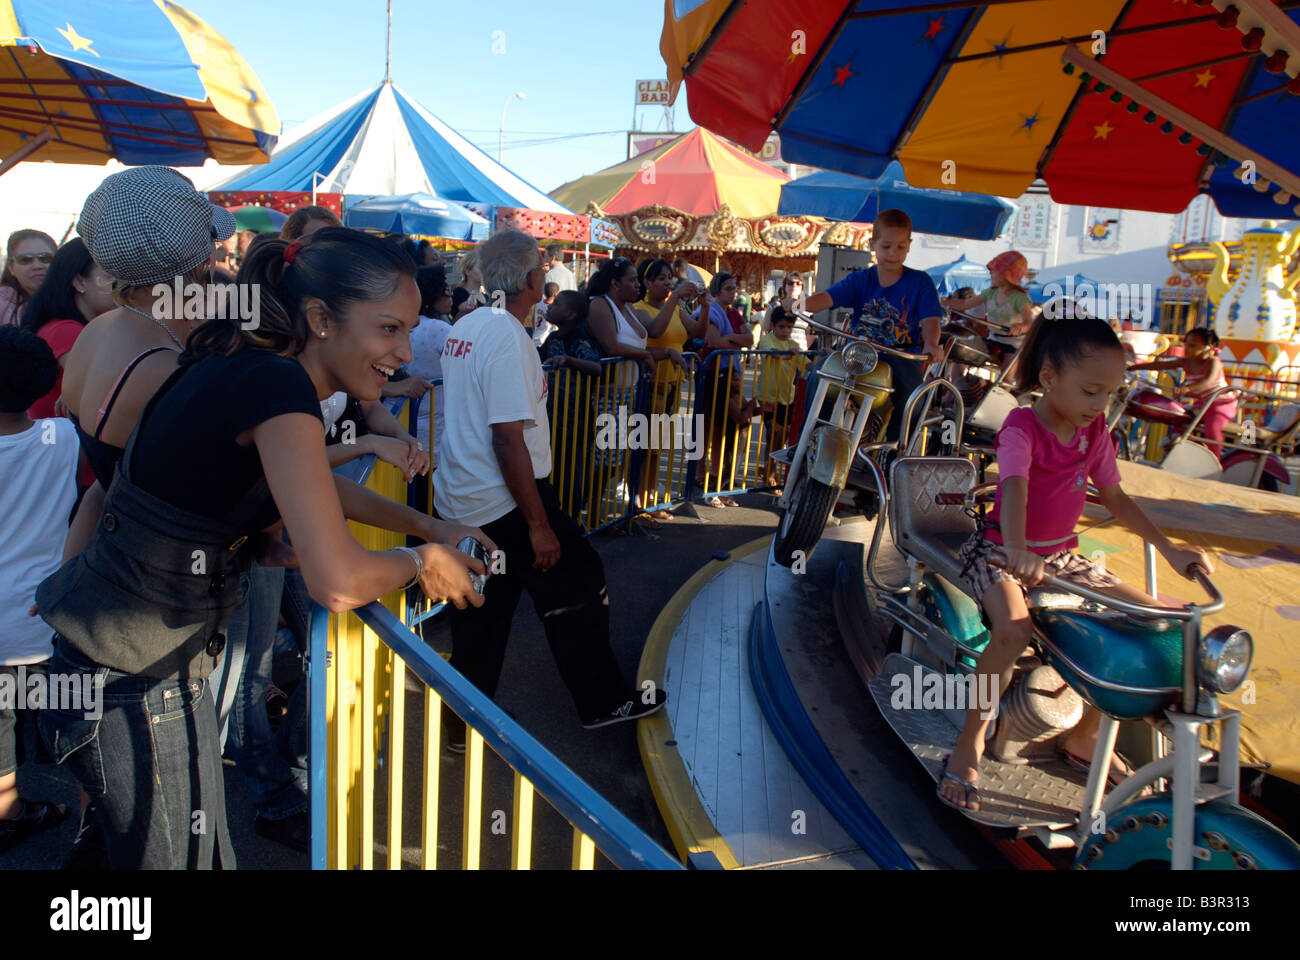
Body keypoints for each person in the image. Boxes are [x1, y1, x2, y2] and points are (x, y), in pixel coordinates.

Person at [37, 175, 491, 868]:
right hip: (133, 670)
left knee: (128, 856)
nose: (406, 355)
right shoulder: (268, 380)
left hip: (116, 652)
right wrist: (420, 561)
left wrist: (432, 529)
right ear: (319, 319)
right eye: (390, 330)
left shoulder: (239, 362)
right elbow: (338, 582)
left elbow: (297, 485)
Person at [940, 313, 1214, 812]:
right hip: (1003, 550)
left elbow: (1116, 497)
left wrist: (1171, 550)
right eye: (1091, 392)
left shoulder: (1093, 436)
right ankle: (969, 744)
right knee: (1012, 631)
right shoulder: (1022, 426)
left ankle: (1087, 736)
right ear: (1048, 378)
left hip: (1063, 556)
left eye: (1108, 395)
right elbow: (1015, 485)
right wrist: (1020, 547)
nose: (1099, 406)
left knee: (1156, 619)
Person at [434, 229, 667, 747]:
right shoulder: (507, 336)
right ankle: (602, 701)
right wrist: (539, 525)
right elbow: (508, 441)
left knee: (483, 613)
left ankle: (460, 725)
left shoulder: (468, 325)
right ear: (532, 279)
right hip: (503, 499)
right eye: (541, 267)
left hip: (464, 496)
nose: (546, 276)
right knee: (579, 583)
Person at [0, 328, 78, 853]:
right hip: (46, 618)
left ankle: (10, 814)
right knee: (74, 715)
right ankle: (96, 817)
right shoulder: (64, 439)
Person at [802, 209, 942, 443]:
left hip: (900, 355)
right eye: (886, 246)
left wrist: (931, 343)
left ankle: (895, 451)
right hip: (858, 353)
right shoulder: (860, 279)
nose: (892, 253)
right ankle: (809, 440)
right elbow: (827, 298)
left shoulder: (920, 282)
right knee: (819, 373)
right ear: (872, 244)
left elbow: (930, 320)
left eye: (900, 247)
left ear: (908, 246)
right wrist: (798, 303)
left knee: (915, 397)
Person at [635, 258, 707, 518]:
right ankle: (639, 504)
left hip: (673, 385)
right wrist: (675, 297)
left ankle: (649, 500)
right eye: (661, 278)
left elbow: (699, 331)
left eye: (669, 278)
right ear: (647, 283)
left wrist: (706, 305)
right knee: (644, 447)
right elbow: (655, 329)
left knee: (658, 448)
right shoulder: (639, 309)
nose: (667, 282)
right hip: (651, 385)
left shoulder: (674, 308)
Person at [18, 238, 118, 422]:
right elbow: (110, 391)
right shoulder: (66, 332)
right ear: (80, 282)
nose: (119, 288)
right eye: (110, 278)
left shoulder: (76, 327)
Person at [694, 271, 759, 507]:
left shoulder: (734, 313)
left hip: (731, 375)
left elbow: (750, 339)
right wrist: (733, 339)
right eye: (729, 289)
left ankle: (720, 483)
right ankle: (708, 481)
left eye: (735, 288)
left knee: (729, 432)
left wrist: (729, 336)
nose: (734, 293)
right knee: (714, 430)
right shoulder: (711, 311)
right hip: (713, 375)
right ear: (717, 291)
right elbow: (716, 343)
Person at [1129, 327, 1236, 459]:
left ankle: (1216, 459)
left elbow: (1208, 382)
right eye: (1186, 343)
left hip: (1221, 403)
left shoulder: (1214, 362)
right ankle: (1176, 454)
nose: (1187, 348)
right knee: (1179, 419)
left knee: (1212, 428)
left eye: (1192, 345)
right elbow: (1161, 366)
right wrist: (1136, 366)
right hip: (1203, 404)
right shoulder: (1186, 362)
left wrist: (1187, 389)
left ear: (1208, 347)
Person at [941, 251, 1034, 366]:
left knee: (1008, 376)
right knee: (960, 353)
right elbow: (965, 303)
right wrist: (942, 303)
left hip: (1013, 343)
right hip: (991, 339)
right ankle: (958, 382)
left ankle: (1004, 383)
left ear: (1006, 275)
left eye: (994, 271)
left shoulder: (1019, 297)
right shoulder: (991, 292)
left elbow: (1029, 322)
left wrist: (1020, 327)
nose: (990, 273)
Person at [755, 307, 810, 491]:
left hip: (788, 397)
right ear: (773, 326)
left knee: (784, 435)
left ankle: (769, 469)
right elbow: (770, 353)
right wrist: (788, 355)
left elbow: (807, 365)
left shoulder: (793, 344)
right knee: (773, 436)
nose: (786, 331)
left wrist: (823, 355)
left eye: (789, 327)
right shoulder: (766, 339)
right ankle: (770, 474)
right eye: (782, 327)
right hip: (769, 397)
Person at [0, 230, 56, 326]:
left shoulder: (77, 300)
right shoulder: (2, 304)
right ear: (11, 267)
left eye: (45, 258)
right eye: (25, 259)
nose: (37, 266)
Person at [451, 248, 485, 320]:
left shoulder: (487, 296)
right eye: (480, 267)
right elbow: (466, 314)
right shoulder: (459, 293)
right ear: (468, 271)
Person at [533, 281, 560, 349]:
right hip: (545, 340)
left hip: (536, 336)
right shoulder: (553, 308)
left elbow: (533, 319)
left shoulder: (539, 302)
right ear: (555, 294)